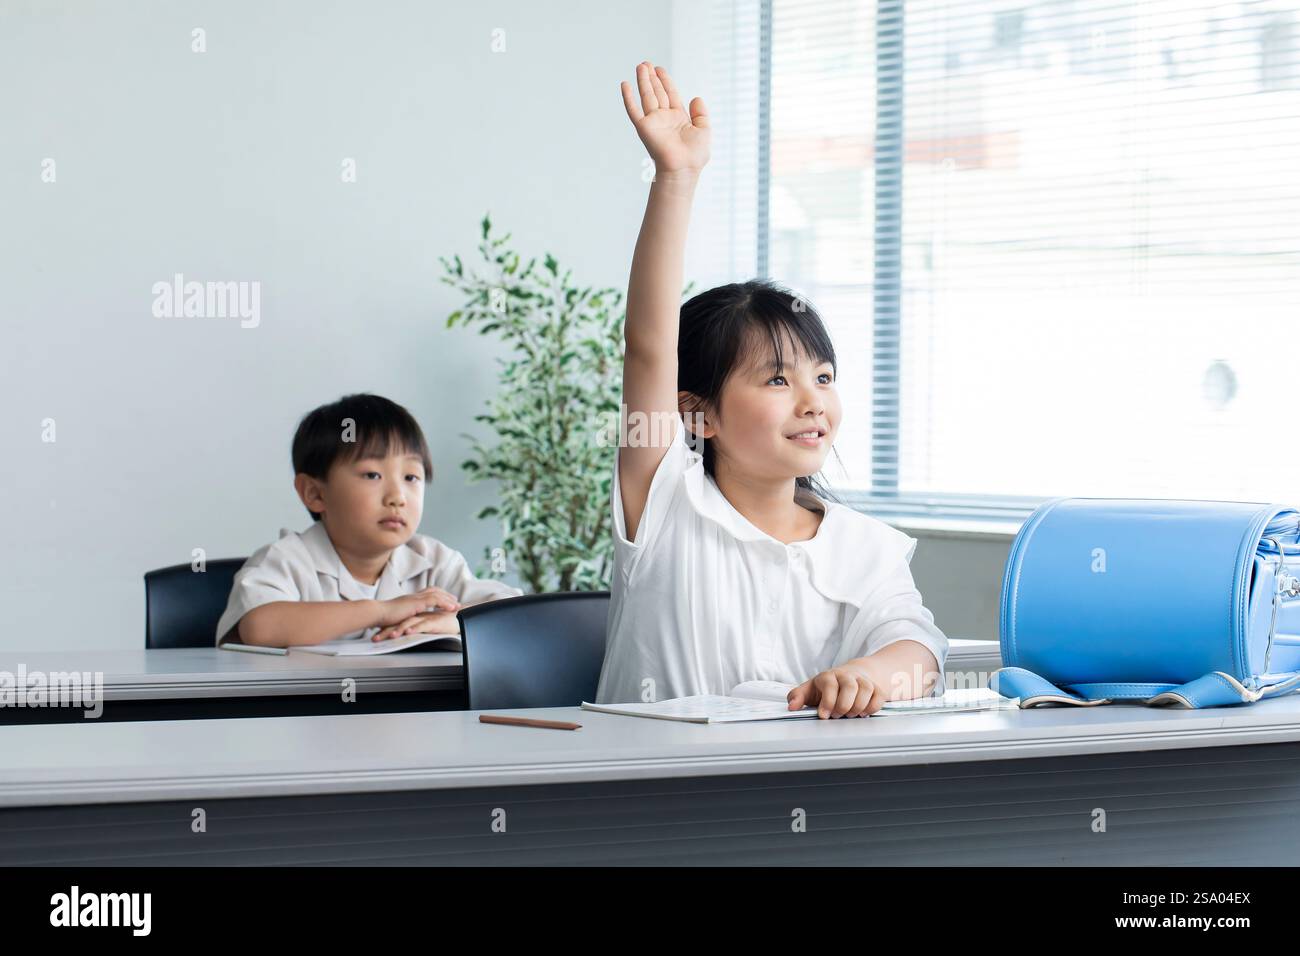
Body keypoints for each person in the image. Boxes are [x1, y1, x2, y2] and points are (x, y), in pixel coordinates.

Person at [596, 61, 948, 717]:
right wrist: (675, 177)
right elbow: (648, 346)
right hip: (648, 802)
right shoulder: (665, 500)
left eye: (823, 377)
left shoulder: (864, 547)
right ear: (697, 415)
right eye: (778, 380)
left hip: (793, 805)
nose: (812, 400)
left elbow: (919, 654)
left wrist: (872, 672)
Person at [215, 393, 521, 648]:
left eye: (411, 477)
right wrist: (382, 611)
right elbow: (262, 627)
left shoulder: (435, 560)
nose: (398, 497)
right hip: (306, 714)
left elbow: (515, 613)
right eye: (372, 475)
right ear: (314, 493)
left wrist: (455, 618)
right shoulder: (286, 560)